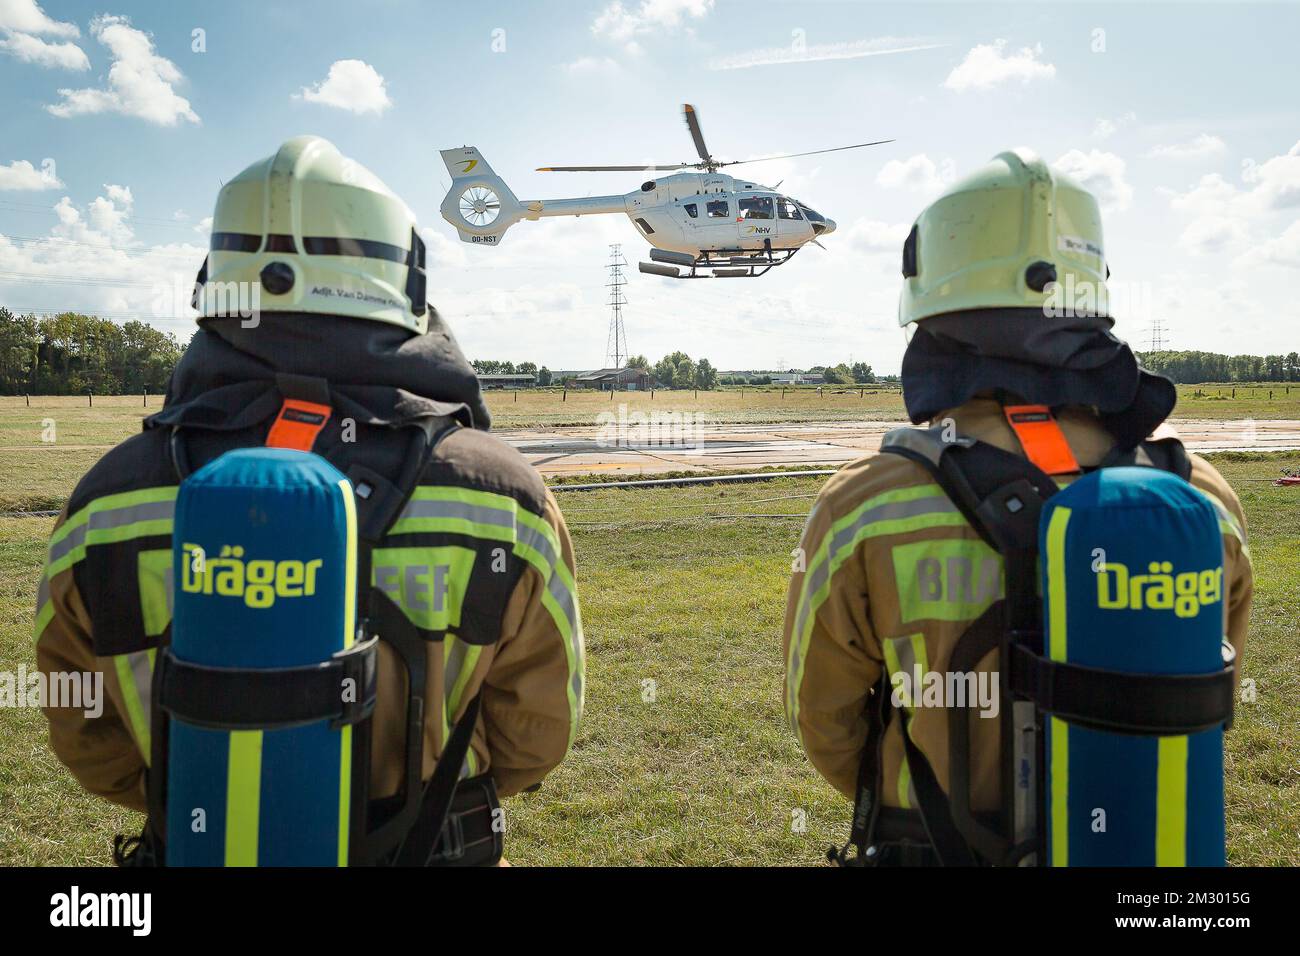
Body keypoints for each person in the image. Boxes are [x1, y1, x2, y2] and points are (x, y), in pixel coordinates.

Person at [35, 136, 584, 866]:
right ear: (403, 282)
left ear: (218, 282)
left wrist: (215, 800)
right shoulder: (506, 496)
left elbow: (86, 735)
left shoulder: (105, 501)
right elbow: (537, 733)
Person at [782, 148, 1252, 866]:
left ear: (932, 308)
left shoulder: (862, 505)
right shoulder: (1201, 500)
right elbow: (1203, 700)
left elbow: (823, 718)